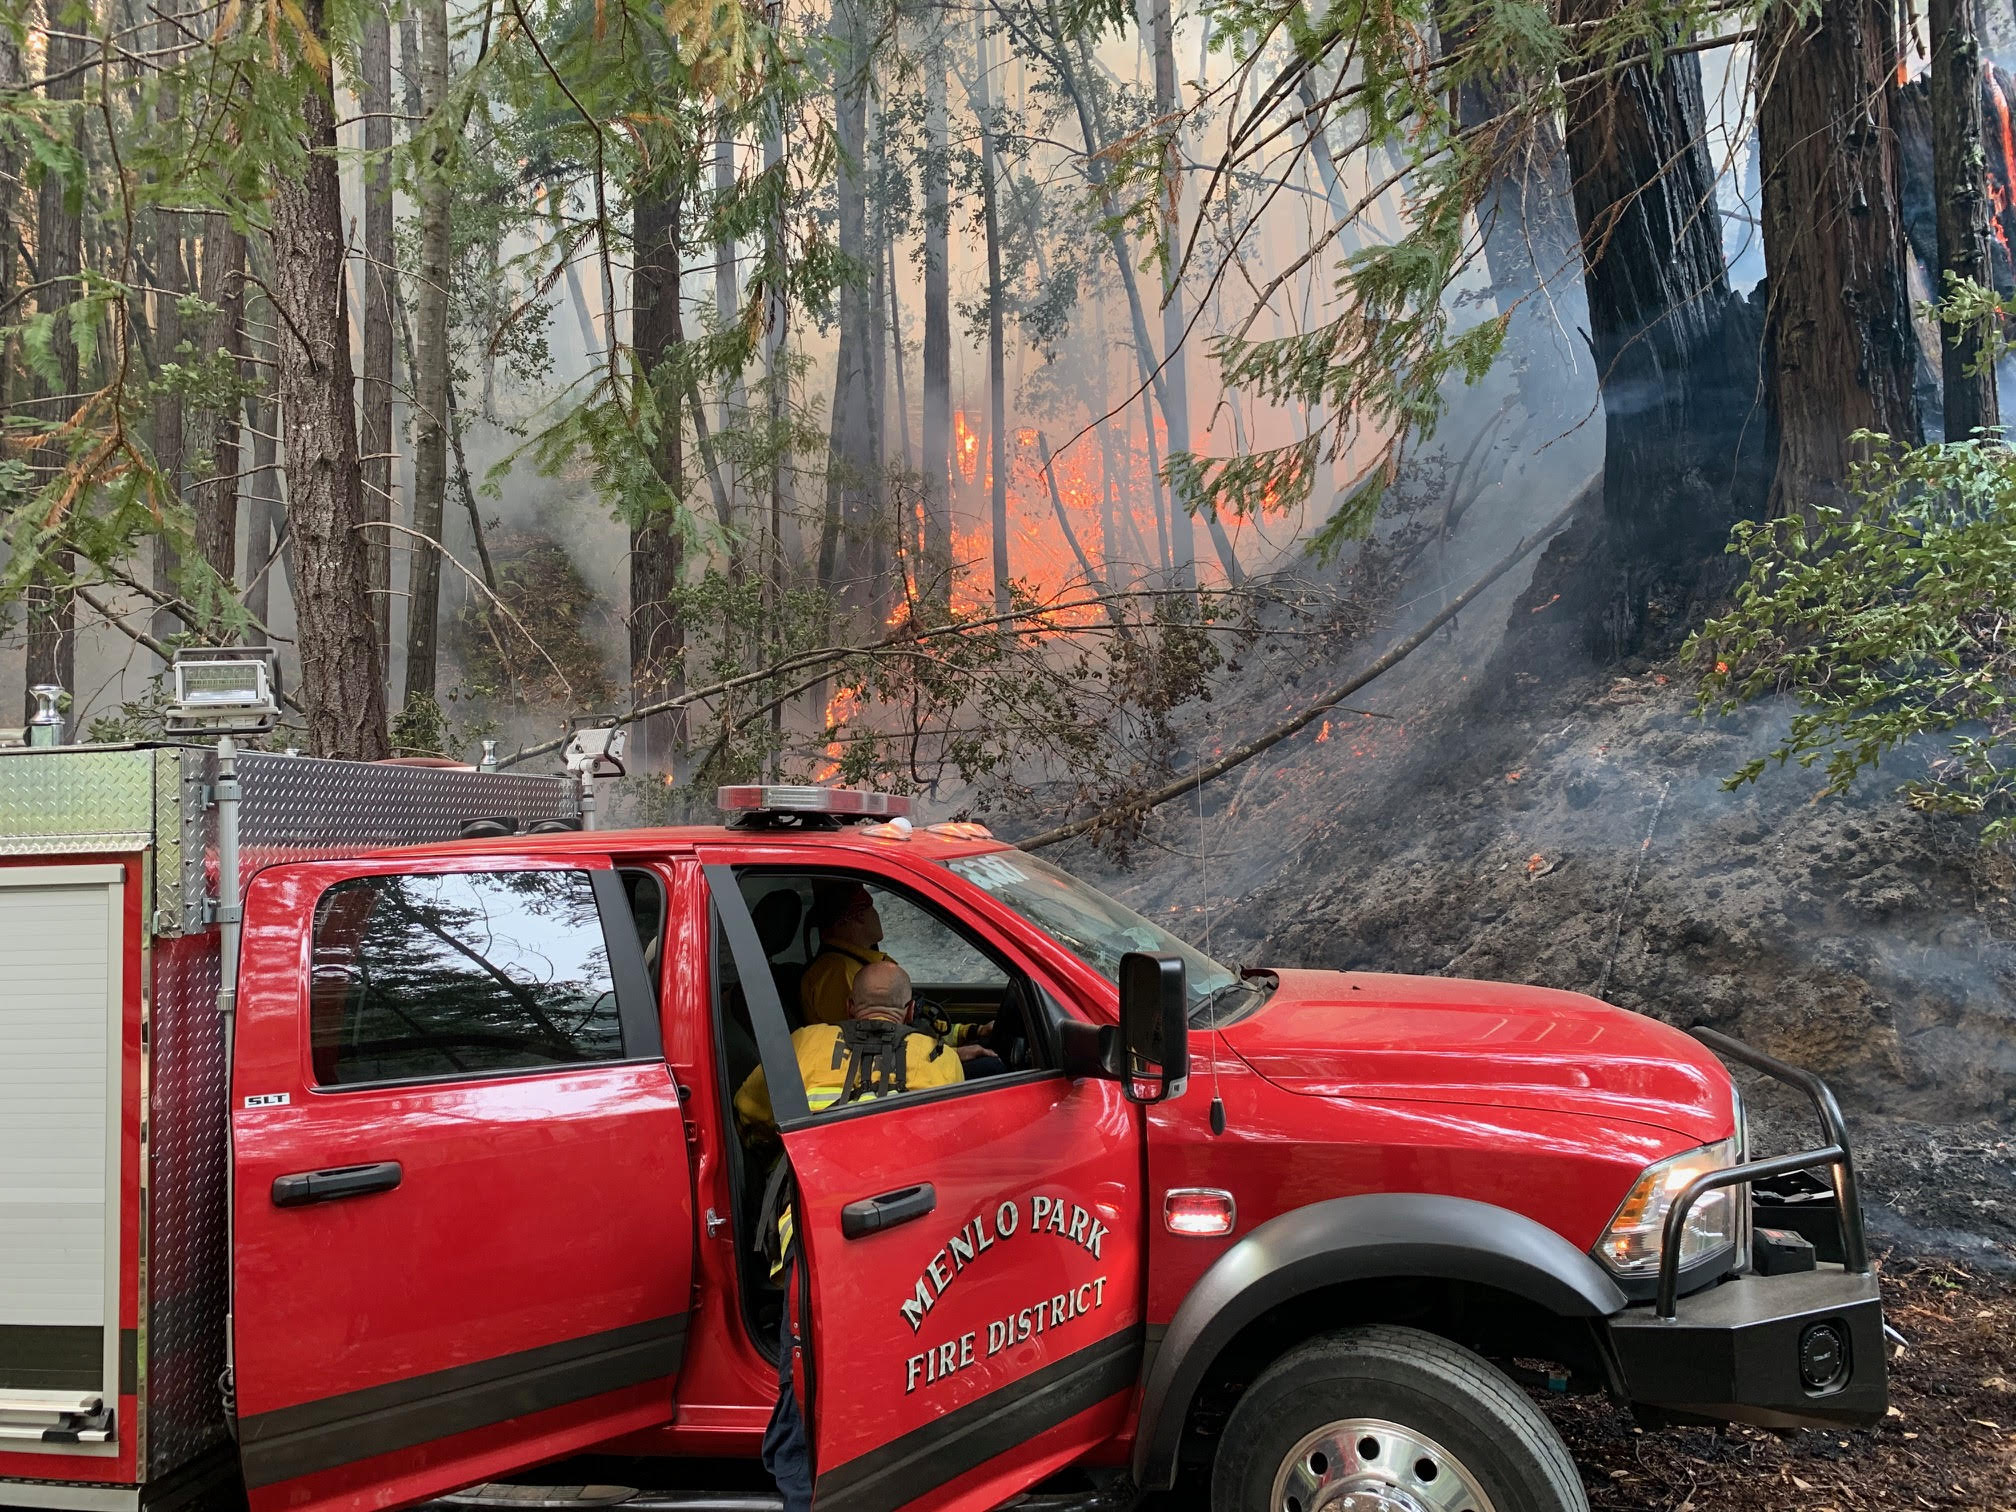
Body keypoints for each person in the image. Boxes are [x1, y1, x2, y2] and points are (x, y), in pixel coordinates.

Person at [734, 961, 962, 1512]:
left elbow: (749, 1112)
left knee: (809, 1366)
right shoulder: (940, 1058)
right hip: (904, 1238)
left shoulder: (805, 1042)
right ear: (910, 1013)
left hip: (811, 1237)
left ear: (847, 1009)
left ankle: (808, 1488)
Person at [798, 882, 1000, 1072]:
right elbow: (863, 1050)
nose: (876, 914)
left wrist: (973, 1031)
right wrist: (952, 1056)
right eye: (872, 907)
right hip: (897, 1072)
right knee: (992, 1068)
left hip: (912, 1055)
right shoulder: (836, 972)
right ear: (857, 916)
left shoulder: (863, 964)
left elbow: (911, 1027)